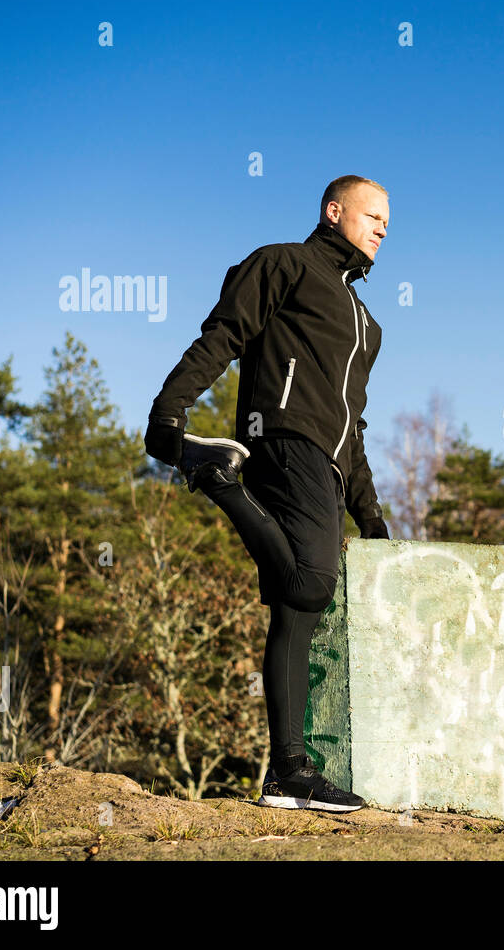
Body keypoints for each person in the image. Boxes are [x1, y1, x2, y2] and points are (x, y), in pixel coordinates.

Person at [143, 175, 392, 812]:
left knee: (297, 611)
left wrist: (374, 519)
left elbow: (353, 427)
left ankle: (287, 773)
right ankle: (215, 477)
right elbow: (224, 334)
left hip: (329, 465)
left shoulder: (367, 325)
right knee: (310, 583)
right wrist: (169, 415)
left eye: (388, 221)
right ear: (334, 212)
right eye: (372, 214)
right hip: (281, 438)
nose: (383, 227)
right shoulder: (285, 263)